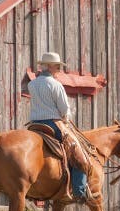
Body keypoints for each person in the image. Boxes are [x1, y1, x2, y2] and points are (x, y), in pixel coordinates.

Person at [28, 52, 96, 203]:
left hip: (35, 124)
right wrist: (67, 119)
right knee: (79, 155)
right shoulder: (55, 84)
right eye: (57, 66)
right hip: (54, 123)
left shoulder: (31, 84)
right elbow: (64, 109)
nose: (58, 69)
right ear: (50, 67)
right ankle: (79, 191)